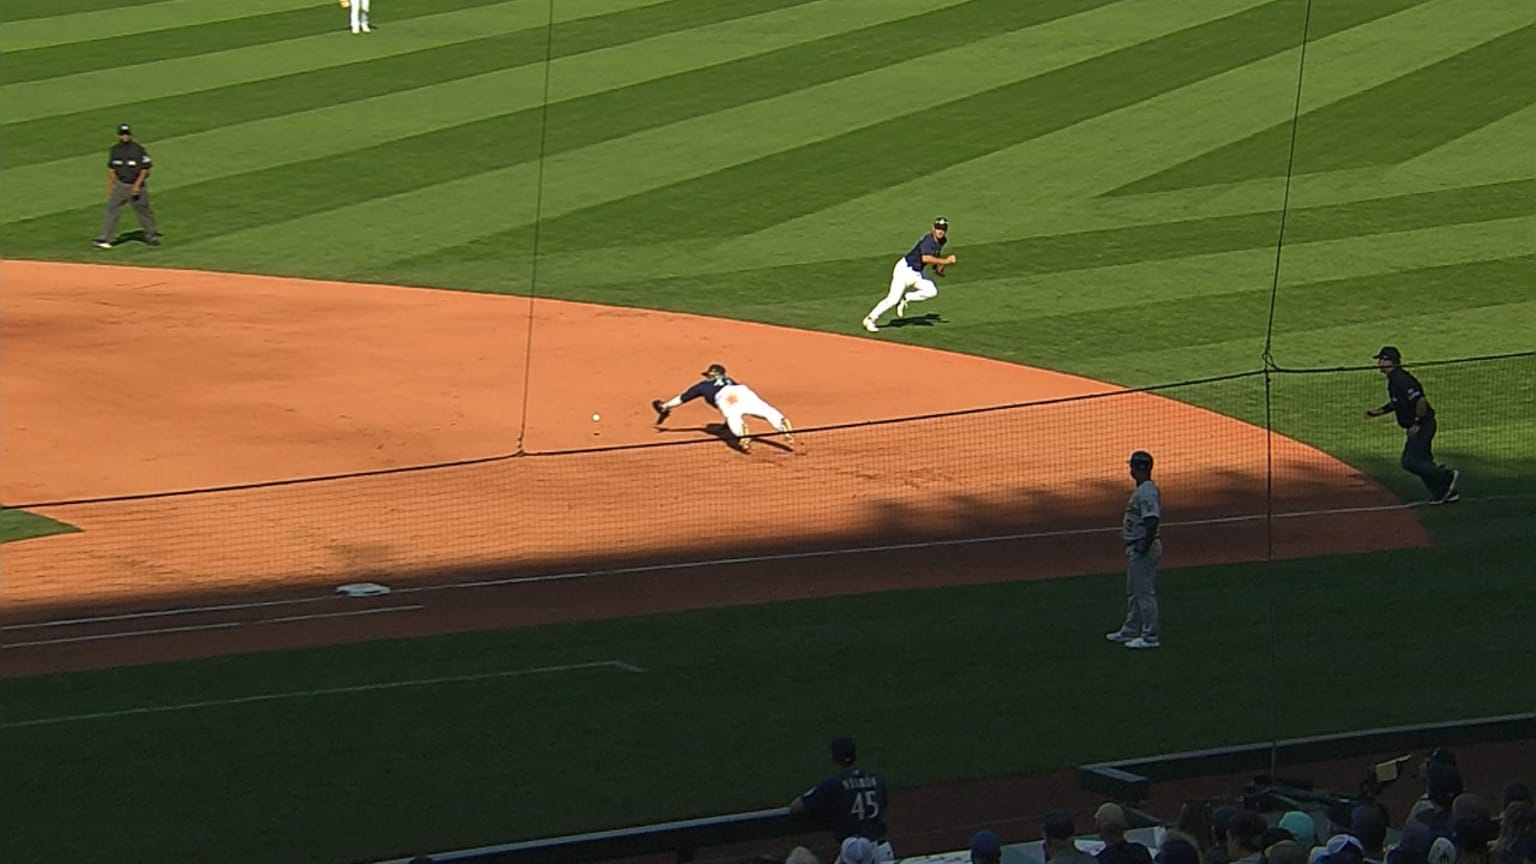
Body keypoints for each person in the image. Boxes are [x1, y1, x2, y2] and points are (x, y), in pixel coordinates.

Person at [1364, 346, 1459, 504]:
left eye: (1381, 360)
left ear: (1389, 361)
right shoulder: (1394, 379)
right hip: (1420, 425)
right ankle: (1444, 494)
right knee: (1423, 462)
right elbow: (1398, 402)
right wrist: (1378, 412)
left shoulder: (1401, 379)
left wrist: (1416, 423)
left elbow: (1420, 400)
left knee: (1410, 462)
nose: (1379, 363)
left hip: (1423, 425)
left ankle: (1447, 476)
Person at [789, 736, 893, 862]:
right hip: (882, 849)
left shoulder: (832, 784)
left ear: (833, 758)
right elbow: (884, 803)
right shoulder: (877, 779)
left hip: (852, 851)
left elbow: (796, 806)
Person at [653, 363, 794, 453]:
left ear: (709, 375)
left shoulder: (702, 386)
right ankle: (780, 422)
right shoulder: (730, 380)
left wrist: (665, 406)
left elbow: (683, 398)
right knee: (763, 409)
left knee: (733, 415)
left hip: (725, 397)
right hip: (742, 390)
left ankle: (742, 434)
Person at [1106, 450, 1162, 649]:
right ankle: (1130, 629)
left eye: (1132, 466)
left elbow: (1152, 519)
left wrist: (1143, 545)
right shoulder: (1143, 489)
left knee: (1144, 593)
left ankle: (1150, 637)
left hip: (1143, 548)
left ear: (1139, 468)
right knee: (1134, 592)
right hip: (1137, 547)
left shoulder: (1147, 491)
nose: (1130, 470)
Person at [862, 217, 956, 332]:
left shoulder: (942, 240)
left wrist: (938, 268)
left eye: (943, 229)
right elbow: (925, 258)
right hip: (904, 270)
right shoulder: (928, 240)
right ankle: (870, 319)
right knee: (892, 299)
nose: (940, 231)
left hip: (916, 274)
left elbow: (935, 254)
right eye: (938, 228)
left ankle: (906, 297)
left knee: (932, 291)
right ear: (933, 228)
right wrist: (945, 261)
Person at [95, 123, 160, 249]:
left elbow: (145, 169)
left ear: (130, 135)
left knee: (144, 211)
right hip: (121, 185)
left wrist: (137, 185)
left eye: (126, 134)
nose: (124, 137)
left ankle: (151, 236)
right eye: (122, 134)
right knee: (112, 210)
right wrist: (110, 186)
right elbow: (112, 169)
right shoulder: (115, 150)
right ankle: (105, 238)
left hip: (137, 186)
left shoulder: (138, 149)